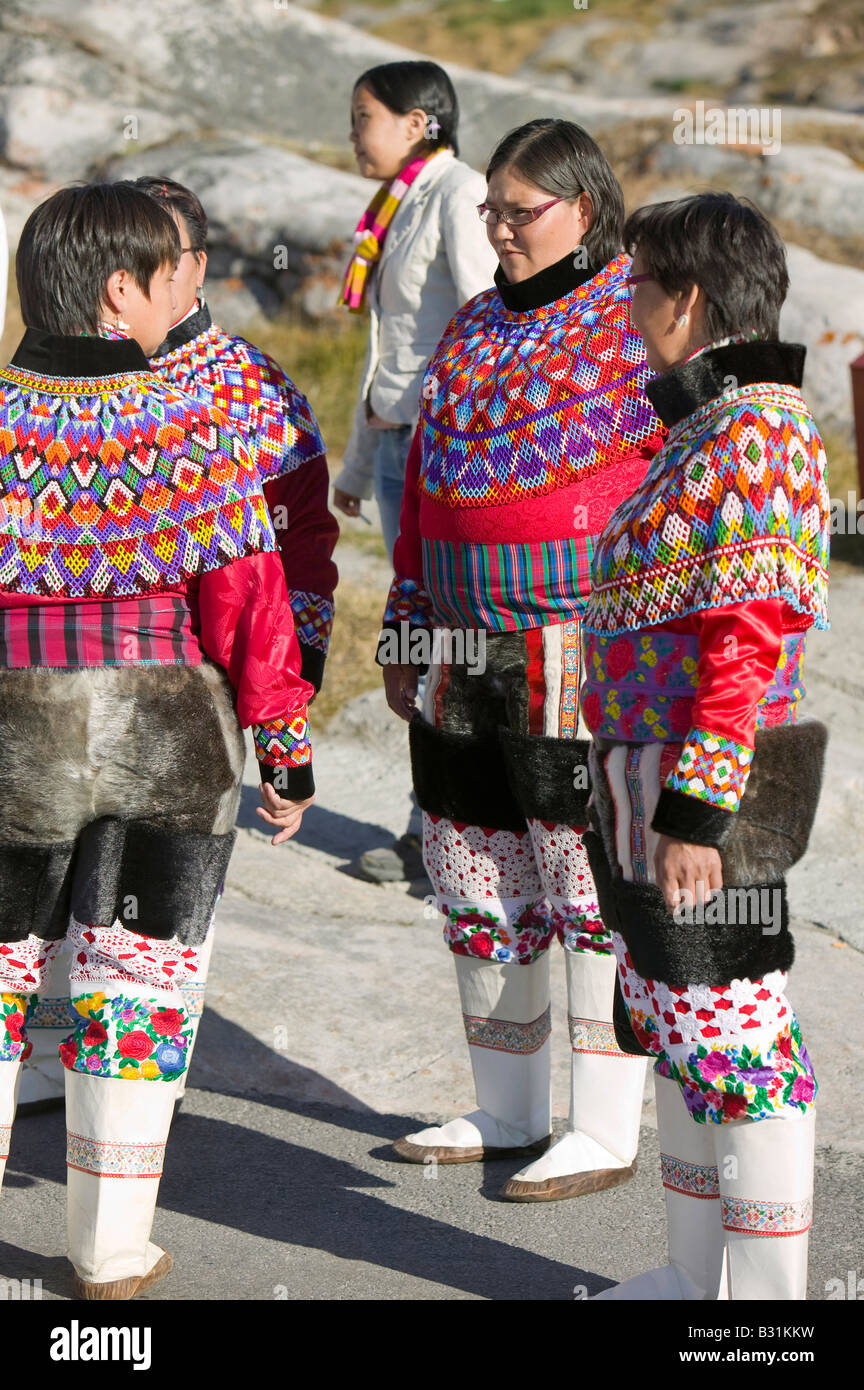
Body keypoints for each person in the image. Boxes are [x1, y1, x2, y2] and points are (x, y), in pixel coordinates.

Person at [0, 182, 314, 1298]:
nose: (184, 294)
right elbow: (248, 600)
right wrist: (285, 744)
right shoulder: (192, 420)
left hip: (13, 730)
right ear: (120, 290)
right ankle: (108, 1251)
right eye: (167, 276)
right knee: (134, 978)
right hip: (164, 724)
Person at [379, 120, 665, 1200]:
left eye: (518, 210)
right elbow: (425, 494)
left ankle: (601, 1127)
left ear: (583, 212)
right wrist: (405, 615)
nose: (496, 228)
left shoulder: (632, 323)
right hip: (454, 642)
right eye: (488, 209)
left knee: (580, 879)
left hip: (575, 649)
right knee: (475, 875)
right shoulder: (468, 330)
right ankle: (505, 1109)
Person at [581, 193, 829, 1298]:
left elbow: (745, 638)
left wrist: (697, 814)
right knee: (681, 1027)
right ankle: (693, 1281)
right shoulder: (707, 424)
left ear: (687, 299)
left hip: (701, 785)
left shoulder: (757, 428)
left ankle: (768, 1312)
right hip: (649, 771)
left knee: (737, 1040)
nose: (629, 310)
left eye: (638, 288)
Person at [334, 59, 496, 884]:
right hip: (401, 445)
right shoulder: (395, 206)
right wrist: (359, 462)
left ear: (418, 122)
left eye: (365, 114)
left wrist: (471, 445)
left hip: (445, 449)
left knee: (446, 639)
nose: (352, 131)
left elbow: (482, 321)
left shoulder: (461, 193)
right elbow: (386, 347)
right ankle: (434, 826)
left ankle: (438, 833)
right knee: (416, 639)